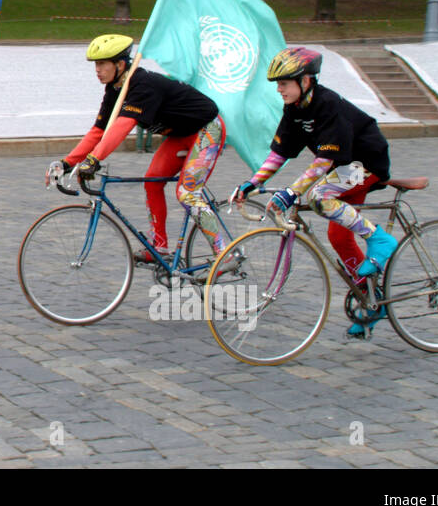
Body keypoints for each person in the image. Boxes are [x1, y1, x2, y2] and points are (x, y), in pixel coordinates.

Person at [230, 47, 399, 337]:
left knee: (318, 197)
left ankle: (380, 240)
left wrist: (291, 192)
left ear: (306, 81)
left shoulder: (328, 104)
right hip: (344, 169)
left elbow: (324, 161)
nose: (279, 89)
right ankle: (370, 301)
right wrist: (252, 182)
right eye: (277, 84)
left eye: (284, 82)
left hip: (366, 164)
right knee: (338, 235)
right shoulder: (294, 110)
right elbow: (279, 154)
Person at [48, 34, 229, 261]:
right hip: (181, 134)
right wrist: (67, 163)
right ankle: (160, 248)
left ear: (120, 64)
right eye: (96, 64)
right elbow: (98, 131)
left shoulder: (142, 84)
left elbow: (124, 125)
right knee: (152, 181)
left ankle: (225, 254)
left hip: (206, 130)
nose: (97, 69)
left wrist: (94, 159)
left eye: (102, 63)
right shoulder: (115, 90)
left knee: (187, 193)